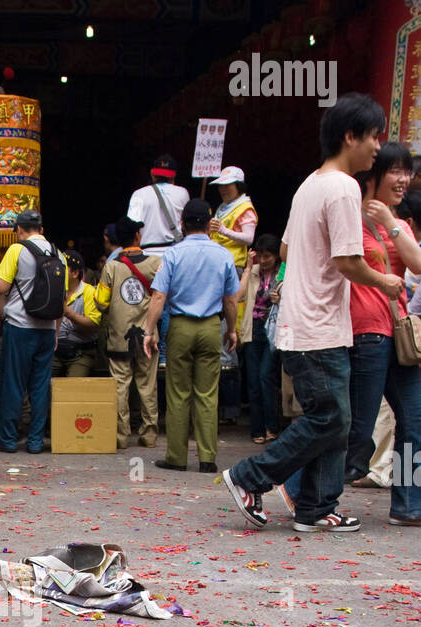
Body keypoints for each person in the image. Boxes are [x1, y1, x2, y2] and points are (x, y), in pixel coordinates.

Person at [221, 93, 404, 533]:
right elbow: (347, 261)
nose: (378, 148)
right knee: (332, 418)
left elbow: (285, 248)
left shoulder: (309, 184)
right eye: (373, 137)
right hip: (318, 327)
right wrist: (385, 281)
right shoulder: (343, 187)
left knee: (333, 422)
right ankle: (249, 478)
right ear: (349, 136)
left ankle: (317, 508)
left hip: (305, 322)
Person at [344, 141, 421, 526]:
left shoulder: (398, 223)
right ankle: (297, 484)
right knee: (357, 427)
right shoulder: (348, 216)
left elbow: (418, 263)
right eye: (396, 171)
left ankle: (408, 505)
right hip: (365, 330)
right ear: (373, 175)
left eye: (407, 171)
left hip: (398, 333)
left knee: (415, 419)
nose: (404, 179)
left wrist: (390, 222)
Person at [143, 198, 239, 473]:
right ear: (209, 225)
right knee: (208, 394)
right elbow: (231, 300)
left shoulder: (173, 254)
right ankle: (207, 458)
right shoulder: (223, 255)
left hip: (181, 327)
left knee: (178, 393)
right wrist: (231, 330)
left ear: (183, 224)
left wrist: (149, 331)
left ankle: (177, 457)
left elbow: (159, 296)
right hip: (210, 326)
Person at [0, 208, 65, 453]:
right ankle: (35, 442)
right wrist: (55, 332)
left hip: (20, 327)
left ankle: (8, 440)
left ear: (19, 230)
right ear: (42, 230)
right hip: (47, 329)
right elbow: (61, 300)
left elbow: (1, 286)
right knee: (40, 385)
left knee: (14, 383)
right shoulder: (59, 254)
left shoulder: (17, 249)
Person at [96, 216, 160, 448]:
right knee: (147, 385)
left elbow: (101, 302)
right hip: (147, 336)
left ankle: (120, 436)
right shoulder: (155, 264)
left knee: (120, 387)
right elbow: (163, 296)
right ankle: (149, 434)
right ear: (137, 237)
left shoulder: (111, 267)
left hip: (119, 337)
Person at [236, 233, 281, 442]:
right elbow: (239, 295)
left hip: (272, 328)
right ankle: (257, 430)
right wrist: (247, 268)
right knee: (253, 381)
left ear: (276, 256)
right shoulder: (253, 272)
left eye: (267, 257)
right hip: (253, 328)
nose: (263, 261)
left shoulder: (283, 273)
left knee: (266, 378)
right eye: (260, 256)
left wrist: (279, 298)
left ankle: (271, 425)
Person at [127, 154, 189, 258]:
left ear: (152, 174)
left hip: (145, 256)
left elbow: (130, 227)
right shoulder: (183, 193)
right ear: (174, 175)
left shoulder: (139, 194)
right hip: (174, 254)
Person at [52, 250, 101, 377]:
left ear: (74, 273)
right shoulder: (53, 291)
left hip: (81, 353)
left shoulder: (89, 292)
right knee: (39, 378)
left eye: (62, 268)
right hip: (55, 351)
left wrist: (69, 313)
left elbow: (94, 324)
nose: (57, 271)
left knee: (75, 384)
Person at [208, 166, 258, 273]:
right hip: (215, 261)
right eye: (220, 185)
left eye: (227, 185)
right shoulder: (223, 206)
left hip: (232, 264)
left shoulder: (244, 208)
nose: (222, 189)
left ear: (238, 186)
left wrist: (224, 230)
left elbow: (249, 239)